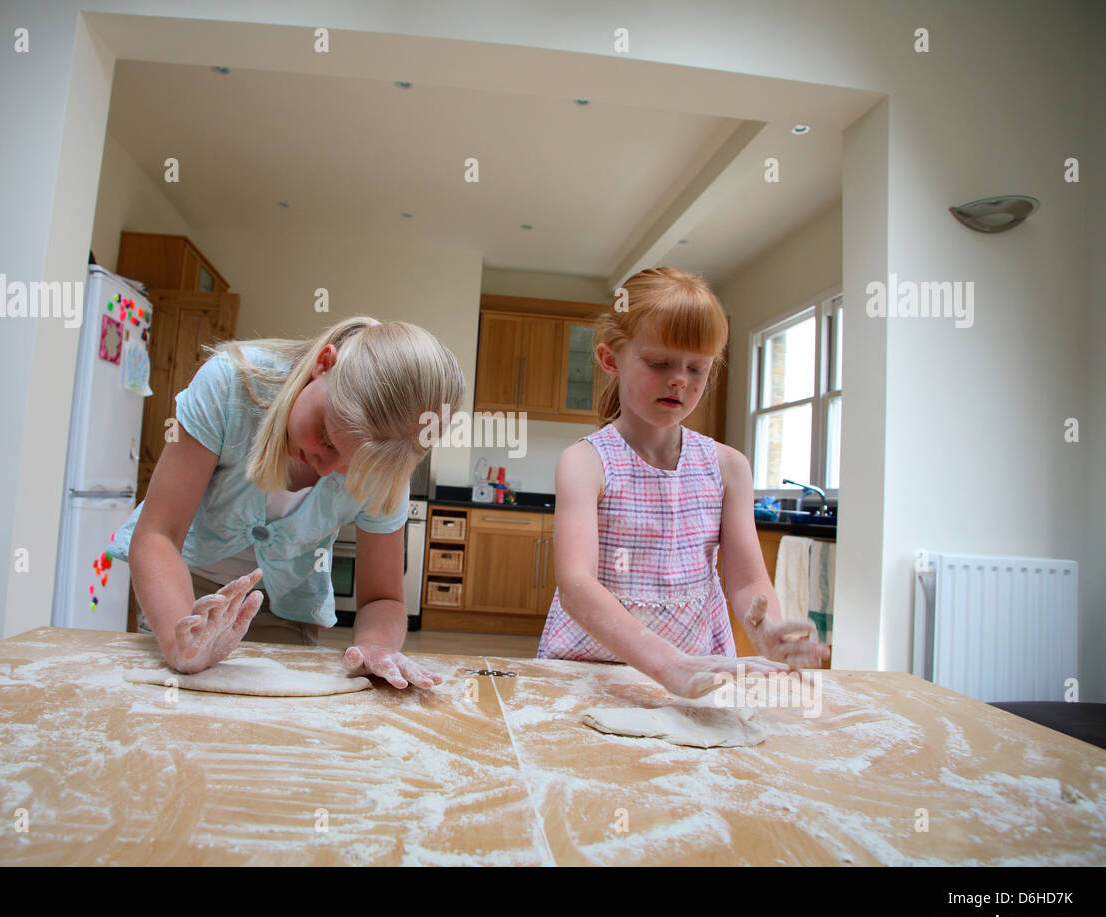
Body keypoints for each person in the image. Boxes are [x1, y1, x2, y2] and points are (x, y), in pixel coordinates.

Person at [107, 316, 465, 689]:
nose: (327, 467)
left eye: (351, 467)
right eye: (326, 436)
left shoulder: (386, 467)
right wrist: (186, 640)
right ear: (323, 365)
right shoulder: (230, 385)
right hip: (185, 593)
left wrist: (376, 646)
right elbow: (157, 537)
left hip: (285, 612)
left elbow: (382, 598)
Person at [539, 267, 830, 699]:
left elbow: (748, 582)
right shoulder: (586, 462)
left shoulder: (728, 467)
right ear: (610, 359)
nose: (679, 379)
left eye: (697, 368)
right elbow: (577, 587)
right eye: (659, 363)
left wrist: (767, 634)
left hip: (696, 670)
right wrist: (668, 665)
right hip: (592, 671)